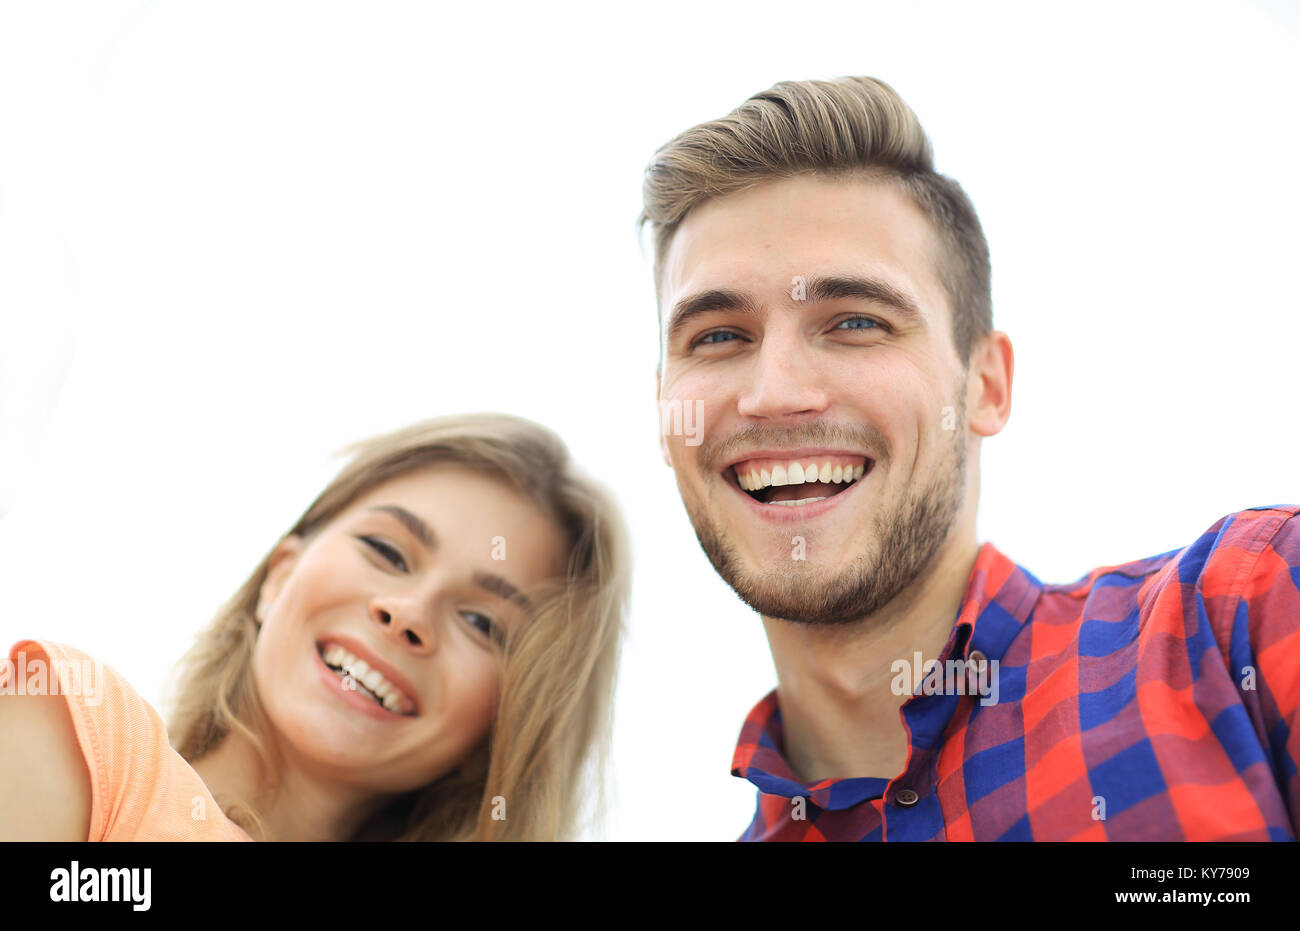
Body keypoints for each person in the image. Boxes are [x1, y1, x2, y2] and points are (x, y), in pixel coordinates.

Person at [640, 76, 1300, 841]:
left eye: (855, 320)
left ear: (986, 384)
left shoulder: (1245, 614)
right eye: (718, 336)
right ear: (664, 410)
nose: (774, 392)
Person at [0, 413, 629, 840]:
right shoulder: (83, 735)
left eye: (479, 622)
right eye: (387, 552)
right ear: (280, 577)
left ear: (501, 727)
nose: (407, 613)